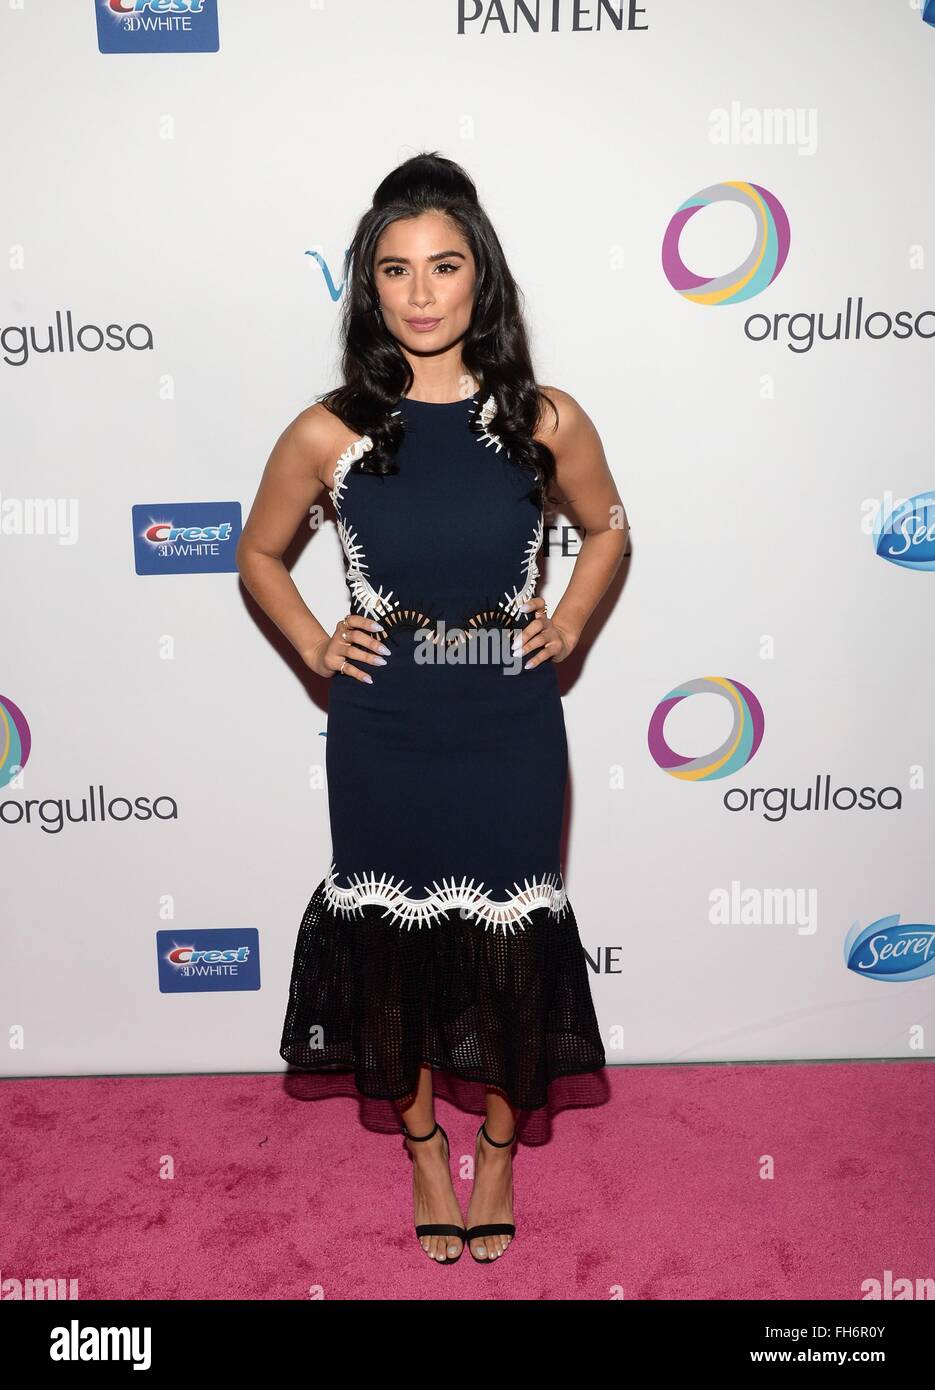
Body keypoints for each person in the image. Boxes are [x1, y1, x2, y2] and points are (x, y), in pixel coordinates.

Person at [236, 151, 629, 1265]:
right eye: (393, 270)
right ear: (367, 287)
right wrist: (315, 640)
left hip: (507, 722)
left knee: (513, 941)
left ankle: (498, 1146)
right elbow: (257, 553)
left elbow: (608, 525)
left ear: (478, 280)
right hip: (383, 726)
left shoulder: (543, 417)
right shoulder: (330, 430)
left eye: (442, 266)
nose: (418, 292)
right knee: (392, 945)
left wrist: (574, 618)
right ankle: (419, 1145)